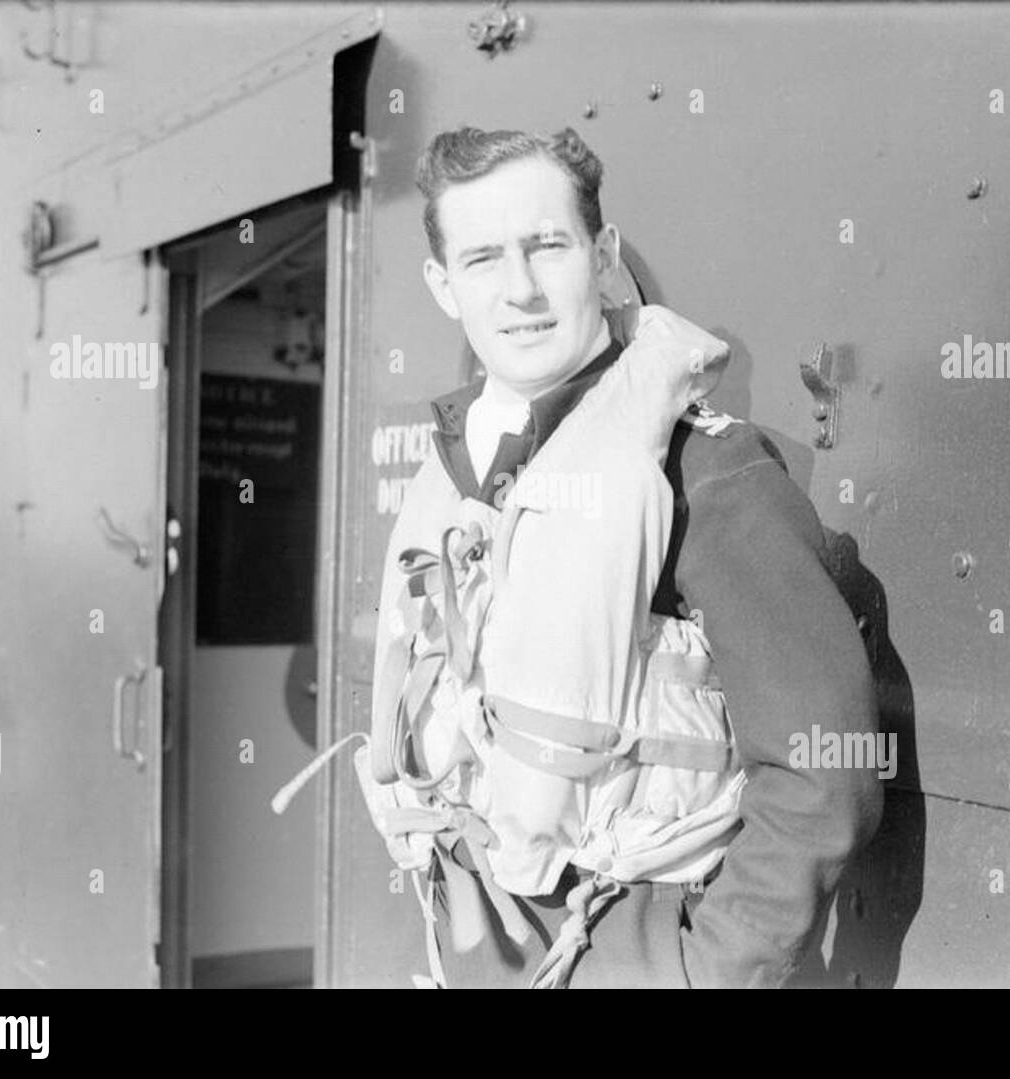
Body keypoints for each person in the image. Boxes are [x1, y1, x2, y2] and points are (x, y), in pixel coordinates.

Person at [362, 125, 883, 989]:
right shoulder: (457, 471)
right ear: (443, 285)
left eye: (548, 247)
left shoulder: (704, 472)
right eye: (483, 258)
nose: (521, 290)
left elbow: (823, 774)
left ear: (601, 253)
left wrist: (696, 974)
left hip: (624, 947)